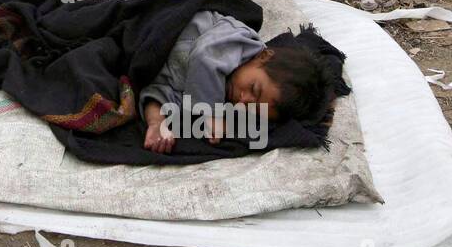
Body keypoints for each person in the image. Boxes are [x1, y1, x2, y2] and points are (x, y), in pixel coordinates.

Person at [140, 14, 341, 153]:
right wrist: (211, 113)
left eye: (251, 108)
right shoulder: (238, 40)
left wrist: (157, 122)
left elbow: (159, 91)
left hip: (144, 55)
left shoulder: (215, 96)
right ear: (263, 56)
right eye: (254, 88)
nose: (242, 99)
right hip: (153, 22)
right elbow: (205, 56)